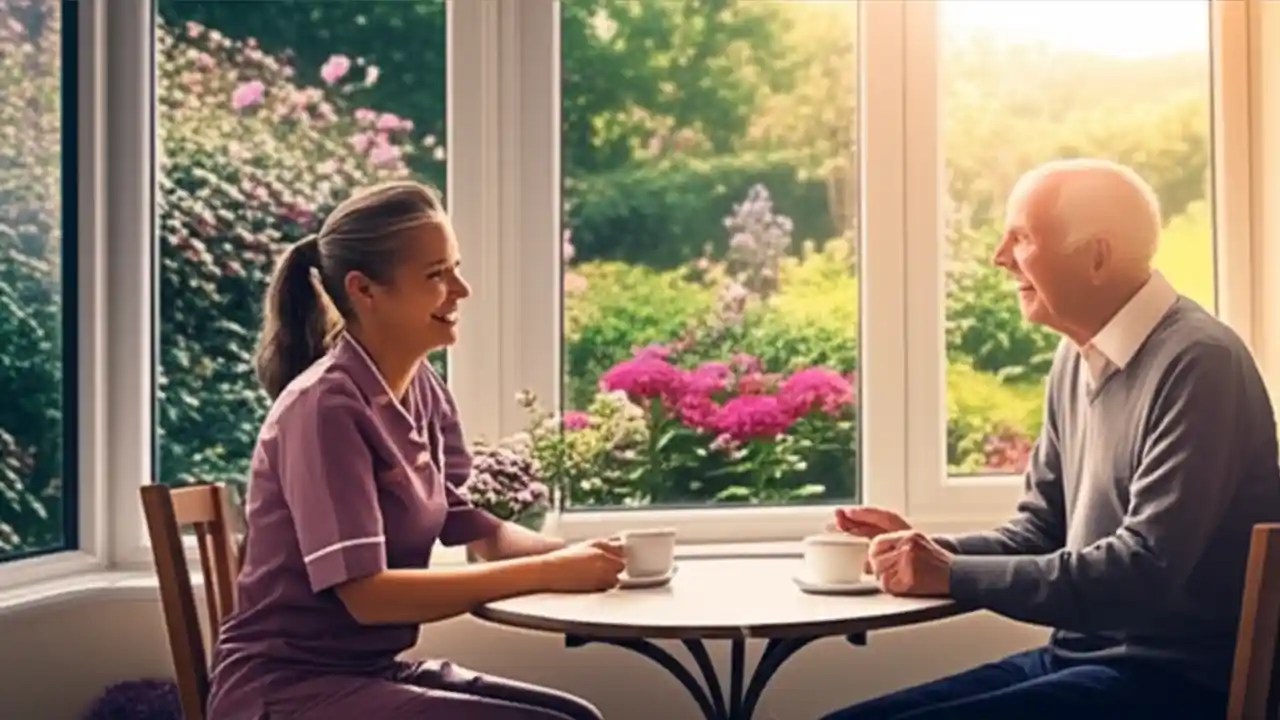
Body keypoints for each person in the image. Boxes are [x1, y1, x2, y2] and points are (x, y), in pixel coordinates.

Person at [822, 158, 1280, 719]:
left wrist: (953, 573)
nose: (999, 257)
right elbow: (1042, 530)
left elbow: (1140, 572)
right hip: (1078, 660)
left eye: (1021, 237)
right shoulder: (1075, 357)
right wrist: (926, 550)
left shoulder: (1199, 363)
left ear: (1096, 256)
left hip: (1171, 683)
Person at [206, 181, 624, 719]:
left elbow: (469, 525)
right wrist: (549, 573)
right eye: (436, 275)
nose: (462, 289)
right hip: (285, 694)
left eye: (455, 267)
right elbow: (368, 596)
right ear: (364, 290)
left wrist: (583, 556)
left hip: (366, 674)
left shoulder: (421, 387)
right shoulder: (324, 408)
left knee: (578, 718)